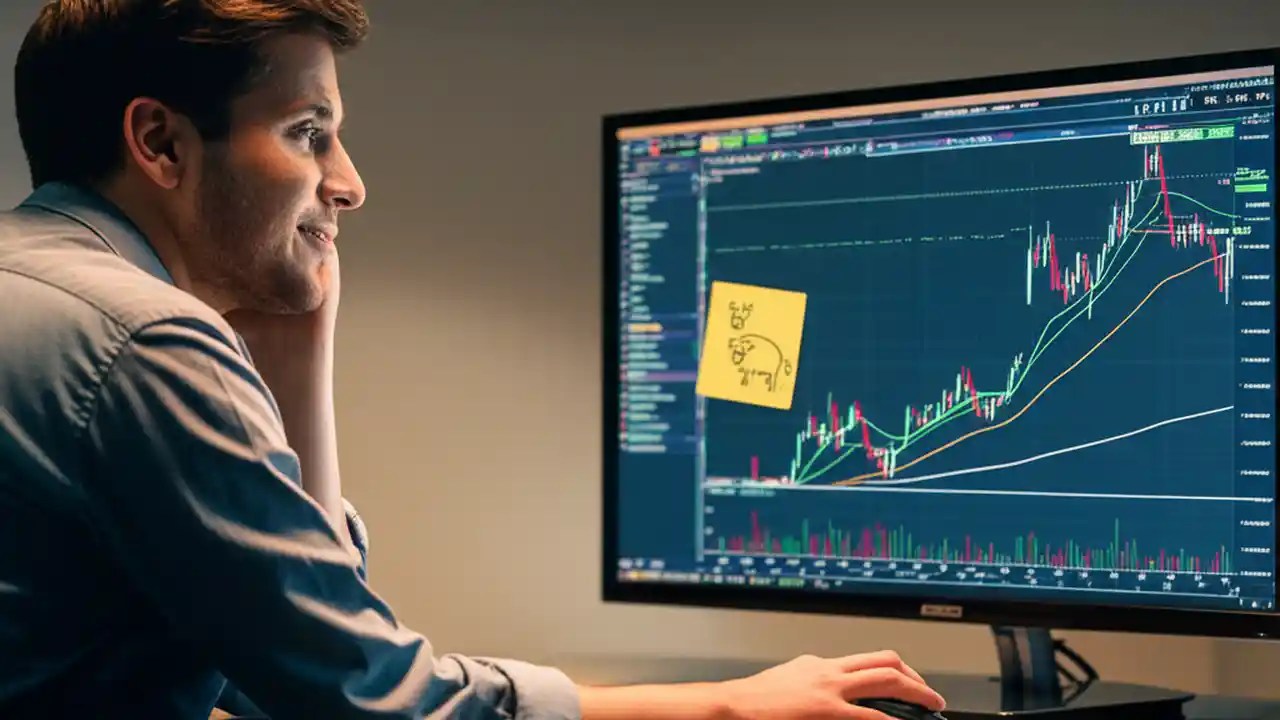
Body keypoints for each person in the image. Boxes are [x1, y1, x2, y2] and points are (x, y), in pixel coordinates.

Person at [0, 1, 948, 718]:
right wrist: (725, 702)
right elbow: (364, 697)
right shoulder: (146, 343)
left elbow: (275, 666)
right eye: (307, 133)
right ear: (160, 142)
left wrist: (296, 359)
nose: (350, 183)